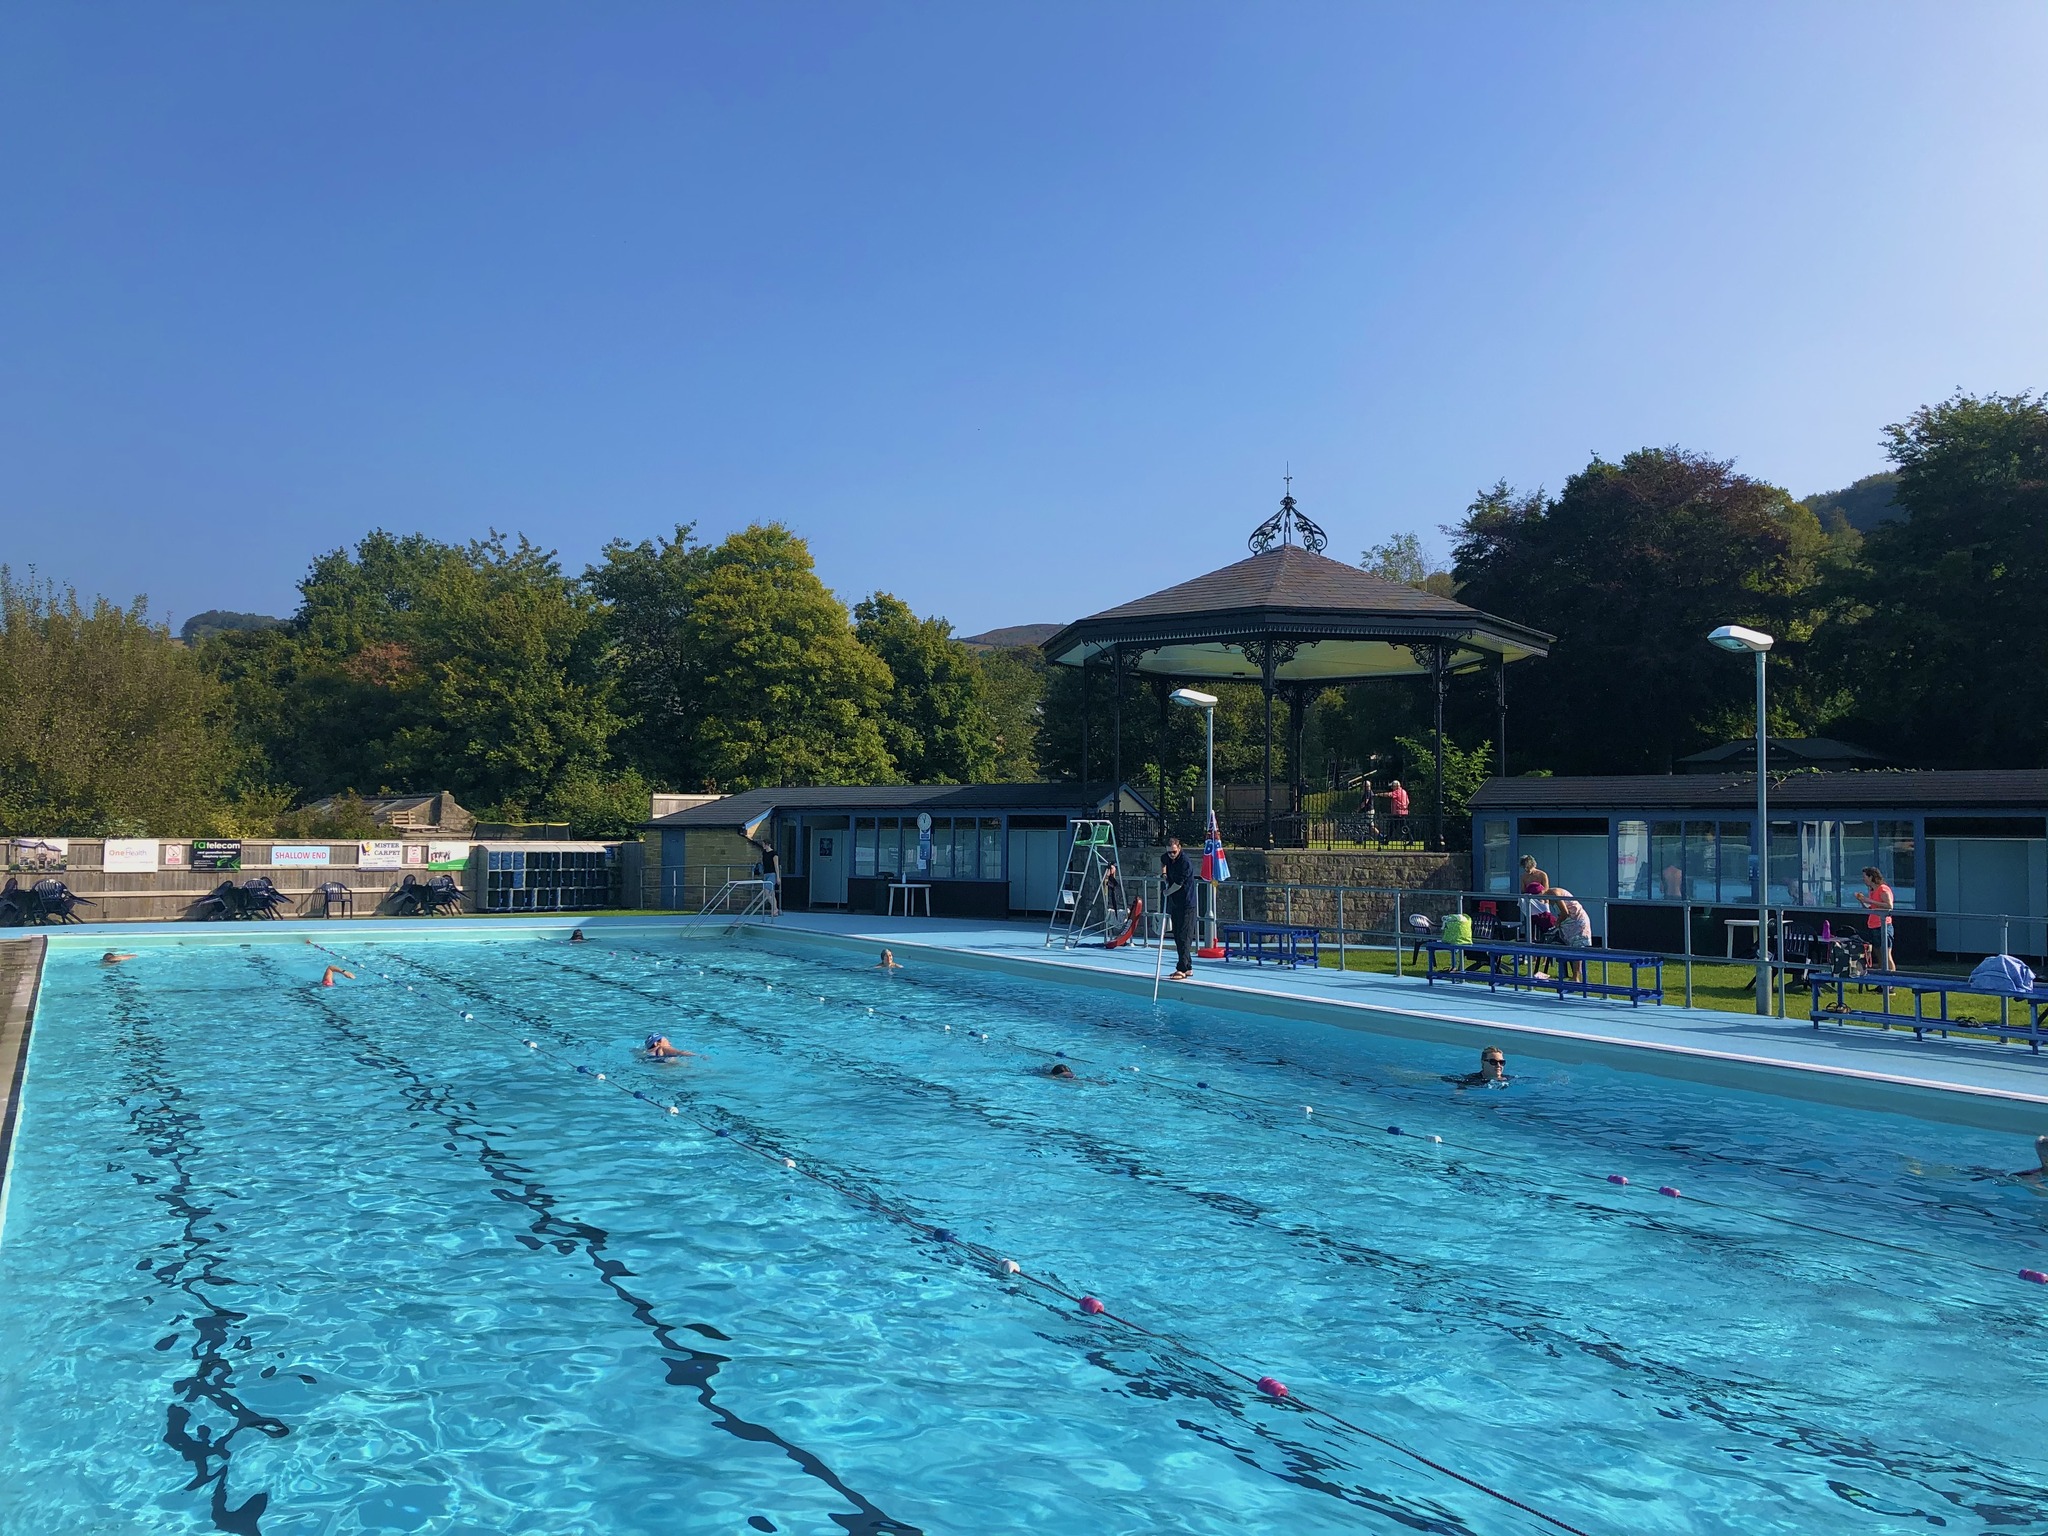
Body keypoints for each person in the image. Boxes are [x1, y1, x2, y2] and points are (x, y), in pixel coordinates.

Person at [1160, 837, 1198, 981]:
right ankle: (1188, 967)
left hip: (1187, 904)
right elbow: (1163, 860)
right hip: (1176, 903)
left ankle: (1181, 969)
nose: (1171, 855)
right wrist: (1164, 874)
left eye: (1174, 852)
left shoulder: (1185, 863)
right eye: (1170, 853)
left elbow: (1179, 884)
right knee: (1177, 935)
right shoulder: (1167, 857)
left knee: (1184, 936)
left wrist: (1167, 892)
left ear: (1179, 848)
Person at [1854, 865, 1896, 972]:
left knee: (1886, 954)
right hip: (1873, 925)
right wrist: (1862, 900)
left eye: (1865, 877)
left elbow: (1889, 906)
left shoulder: (1883, 889)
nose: (1864, 879)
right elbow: (1870, 908)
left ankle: (1891, 983)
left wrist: (1869, 901)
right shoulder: (1872, 891)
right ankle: (1883, 982)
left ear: (1871, 877)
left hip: (1884, 925)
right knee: (1879, 954)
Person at [1550, 887, 1592, 983]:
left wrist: (1557, 923)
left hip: (1577, 921)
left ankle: (1576, 977)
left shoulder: (1554, 893)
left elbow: (1565, 913)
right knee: (1569, 948)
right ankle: (1571, 975)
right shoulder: (1550, 896)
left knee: (1577, 949)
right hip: (1570, 923)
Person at [746, 834, 781, 917]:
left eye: (764, 844)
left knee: (766, 890)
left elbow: (776, 866)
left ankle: (774, 908)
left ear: (768, 844)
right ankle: (775, 910)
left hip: (772, 874)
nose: (763, 846)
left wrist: (778, 877)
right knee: (771, 893)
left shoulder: (774, 854)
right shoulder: (764, 853)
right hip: (766, 873)